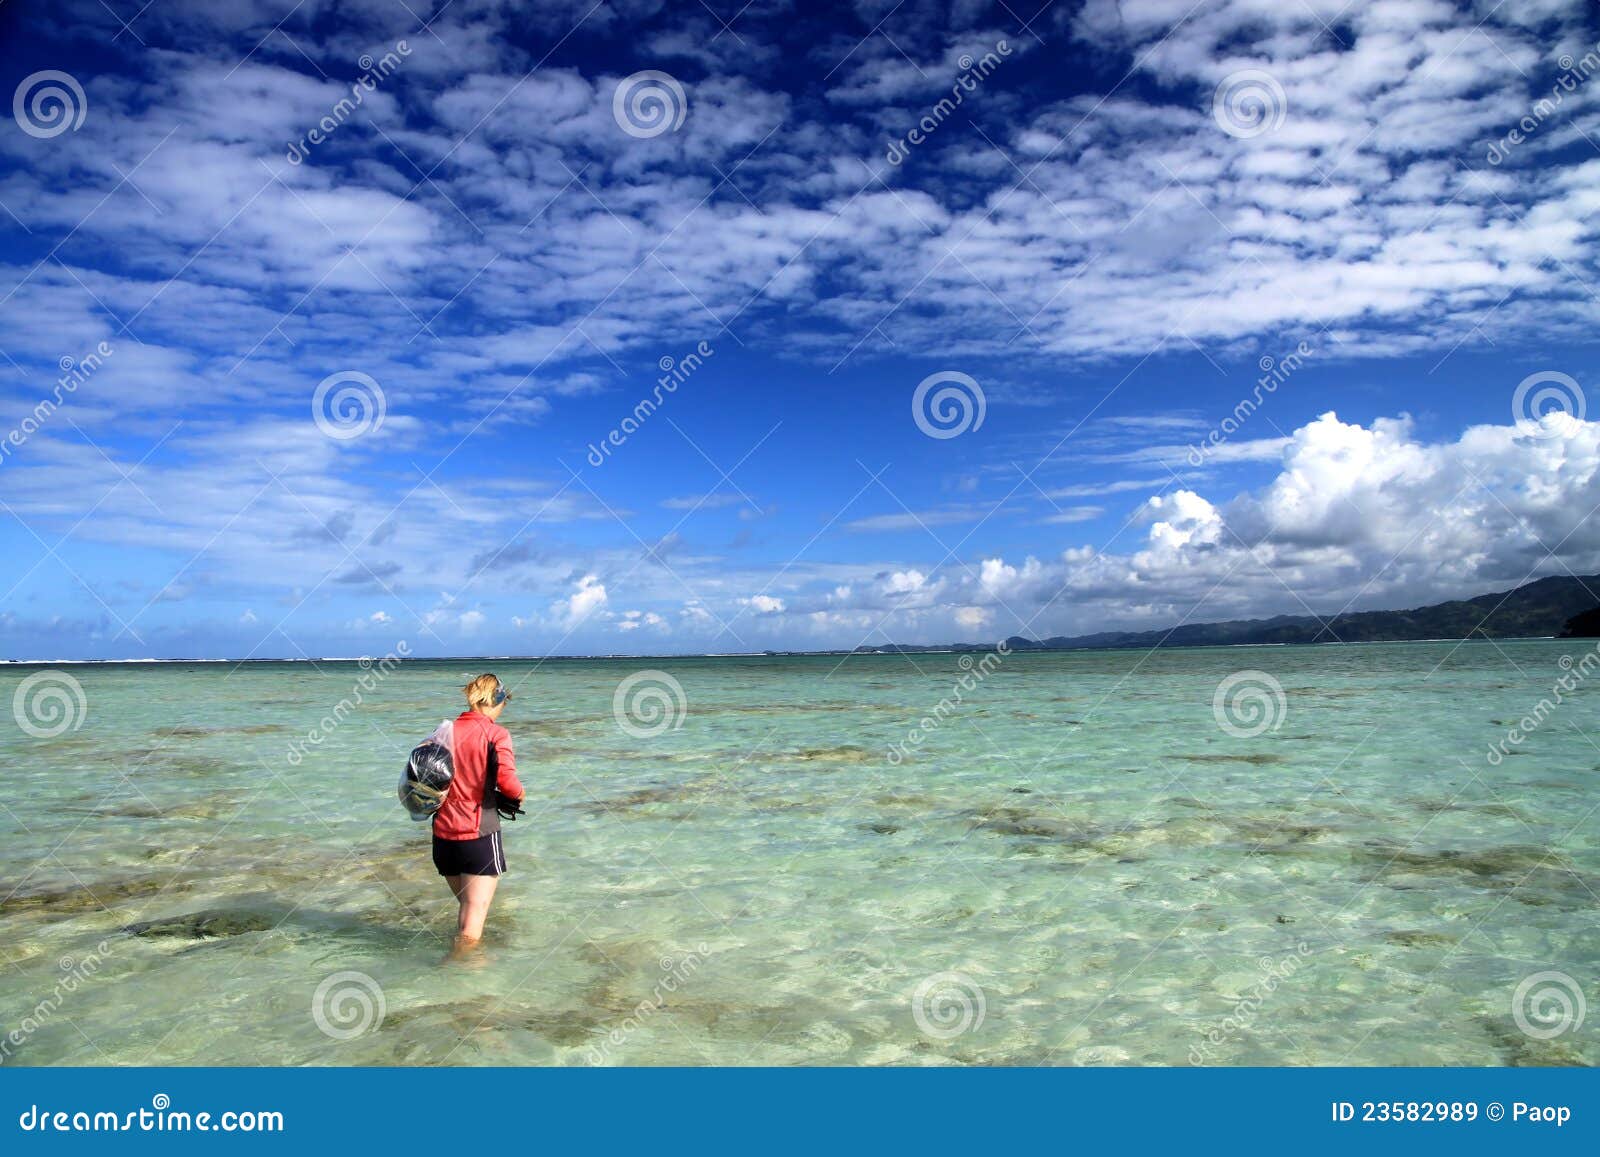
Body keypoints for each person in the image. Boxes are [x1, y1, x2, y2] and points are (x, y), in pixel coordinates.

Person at [432, 673, 525, 959]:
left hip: (443, 837)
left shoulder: (444, 731)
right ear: (496, 700)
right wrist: (519, 795)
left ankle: (461, 965)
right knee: (473, 922)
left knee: (467, 908)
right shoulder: (496, 734)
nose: (502, 710)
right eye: (503, 703)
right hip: (478, 835)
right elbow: (509, 783)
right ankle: (461, 982)